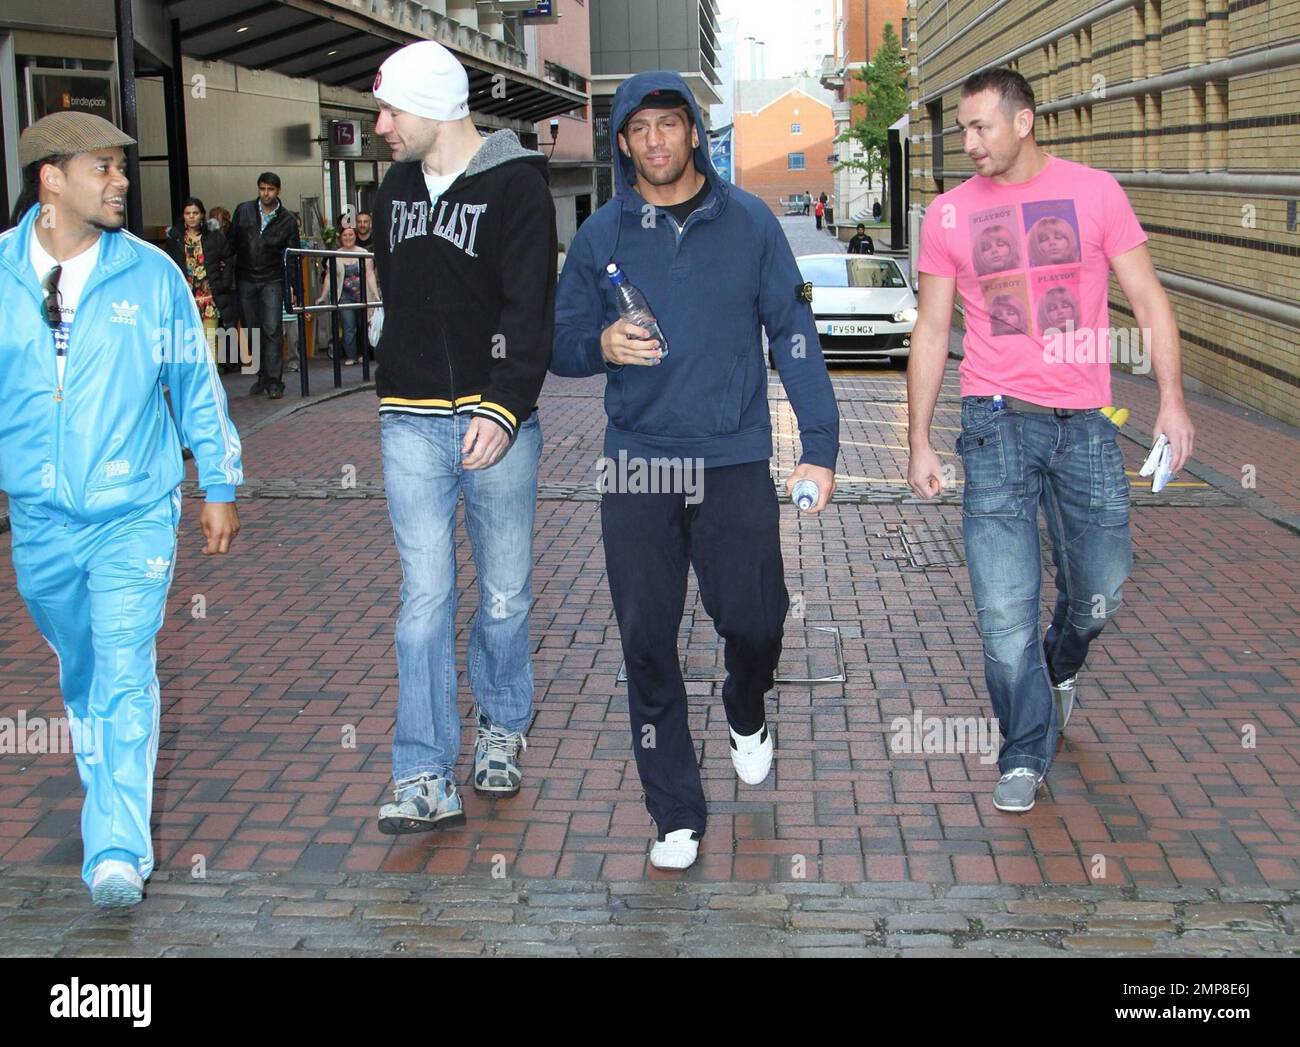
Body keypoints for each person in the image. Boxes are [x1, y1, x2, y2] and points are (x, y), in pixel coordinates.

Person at [551, 71, 840, 871]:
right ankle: (675, 809)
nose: (654, 141)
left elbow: (792, 332)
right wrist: (599, 346)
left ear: (692, 132)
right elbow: (559, 340)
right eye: (638, 129)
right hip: (639, 460)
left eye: (668, 125)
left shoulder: (749, 223)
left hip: (733, 454)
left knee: (754, 618)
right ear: (621, 142)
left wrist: (819, 443)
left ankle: (746, 705)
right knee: (646, 636)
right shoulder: (601, 235)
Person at [907, 68, 1194, 814]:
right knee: (1004, 614)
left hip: (1087, 425)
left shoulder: (1096, 193)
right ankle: (1025, 746)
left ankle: (1061, 662)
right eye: (962, 129)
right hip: (994, 422)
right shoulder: (946, 215)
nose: (967, 142)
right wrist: (918, 439)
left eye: (980, 127)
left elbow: (1148, 299)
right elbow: (934, 329)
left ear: (1024, 121)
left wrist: (1171, 399)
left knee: (1102, 590)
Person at [0, 112, 243, 907]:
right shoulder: (0, 271)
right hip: (38, 515)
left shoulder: (152, 275)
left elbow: (194, 384)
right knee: (85, 672)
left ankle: (116, 847)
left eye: (120, 167)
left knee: (125, 666)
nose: (120, 181)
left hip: (134, 508)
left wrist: (218, 480)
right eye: (101, 167)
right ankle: (106, 783)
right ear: (51, 177)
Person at [369, 40, 556, 834]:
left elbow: (530, 310)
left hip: (498, 422)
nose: (379, 124)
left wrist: (502, 405)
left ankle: (501, 726)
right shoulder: (393, 191)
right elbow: (395, 289)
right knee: (425, 597)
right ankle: (422, 770)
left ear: (438, 107)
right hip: (408, 418)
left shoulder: (517, 188)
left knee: (506, 592)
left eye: (390, 109)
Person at [232, 171, 299, 399]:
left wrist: (292, 287)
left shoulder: (288, 220)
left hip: (272, 278)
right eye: (262, 189)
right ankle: (262, 375)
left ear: (278, 191)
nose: (266, 193)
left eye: (270, 189)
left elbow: (291, 256)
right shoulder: (244, 210)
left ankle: (274, 381)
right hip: (246, 277)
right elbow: (232, 244)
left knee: (272, 328)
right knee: (252, 328)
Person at [164, 196, 233, 363]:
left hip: (209, 297)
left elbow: (228, 260)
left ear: (202, 214)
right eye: (188, 213)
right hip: (186, 298)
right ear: (184, 216)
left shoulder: (214, 237)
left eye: (195, 213)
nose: (192, 216)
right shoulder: (175, 238)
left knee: (210, 344)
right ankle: (194, 385)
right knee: (189, 345)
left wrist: (223, 284)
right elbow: (169, 266)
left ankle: (211, 384)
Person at [315, 224, 378, 365]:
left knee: (363, 326)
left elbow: (370, 274)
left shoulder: (364, 253)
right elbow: (329, 277)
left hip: (363, 295)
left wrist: (375, 294)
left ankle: (363, 354)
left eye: (351, 235)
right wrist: (323, 296)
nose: (348, 237)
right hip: (344, 296)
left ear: (355, 236)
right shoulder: (335, 255)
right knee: (349, 326)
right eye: (345, 235)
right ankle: (351, 356)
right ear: (340, 237)